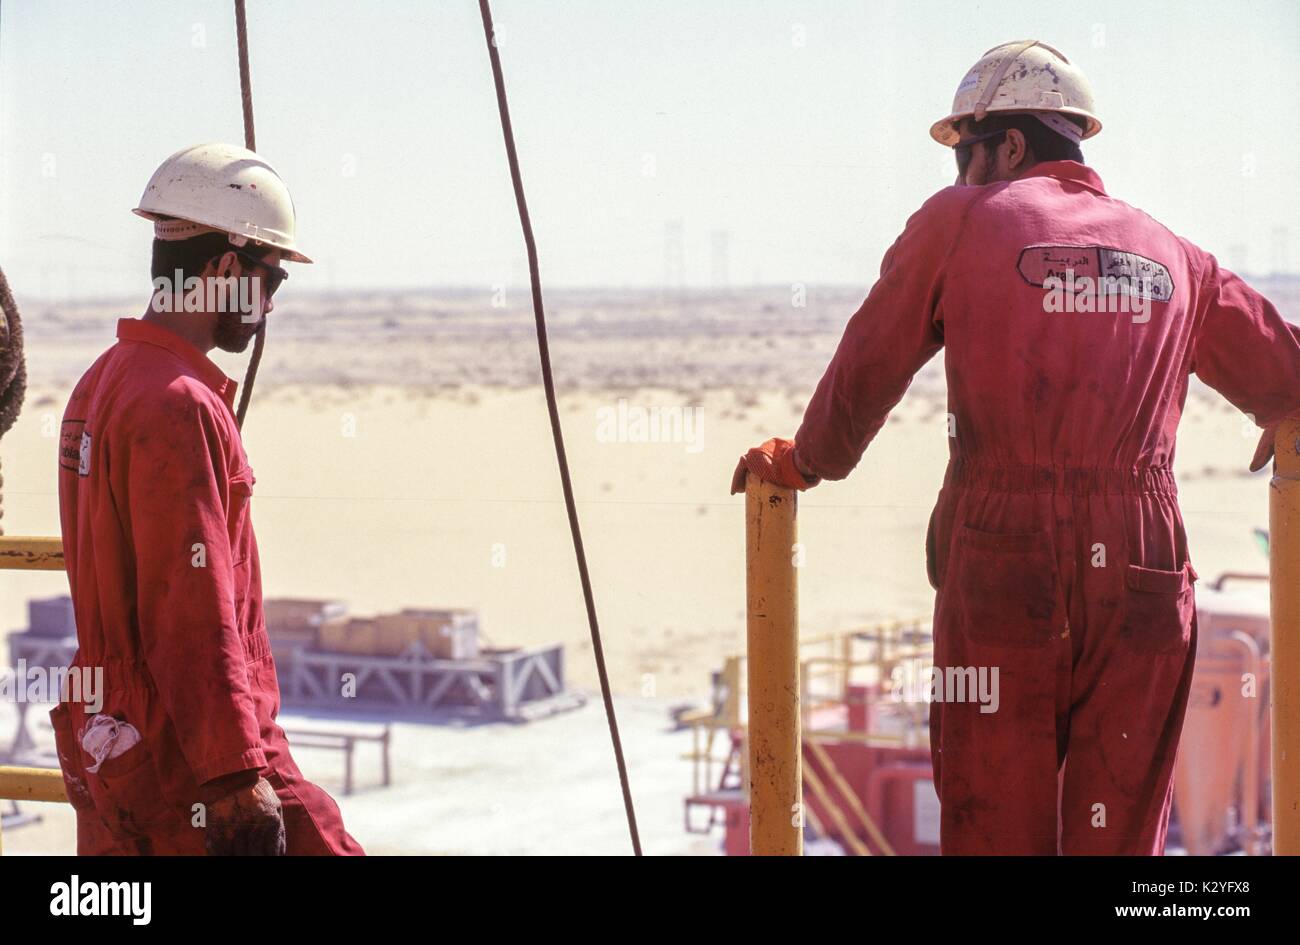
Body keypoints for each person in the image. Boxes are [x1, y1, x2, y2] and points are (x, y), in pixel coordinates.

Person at [733, 40, 1300, 854]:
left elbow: (871, 358)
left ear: (1006, 143)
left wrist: (804, 461)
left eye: (966, 154)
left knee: (994, 821)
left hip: (1005, 558)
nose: (959, 173)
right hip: (1144, 561)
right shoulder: (1177, 254)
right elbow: (1287, 374)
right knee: (1122, 829)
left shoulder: (960, 220)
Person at [51, 142, 363, 855]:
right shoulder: (178, 404)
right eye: (271, 278)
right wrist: (233, 774)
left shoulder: (101, 383)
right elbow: (188, 604)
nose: (271, 304)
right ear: (225, 269)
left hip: (110, 734)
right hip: (188, 744)